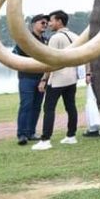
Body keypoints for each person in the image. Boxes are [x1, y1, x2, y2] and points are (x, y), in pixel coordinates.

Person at [32, 10, 80, 150]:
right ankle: (71, 136)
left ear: (59, 21)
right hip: (72, 78)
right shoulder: (75, 36)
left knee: (49, 108)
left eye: (51, 21)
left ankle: (45, 140)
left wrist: (44, 79)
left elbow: (49, 61)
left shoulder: (55, 38)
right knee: (71, 107)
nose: (49, 24)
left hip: (58, 79)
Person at [13, 14, 48, 145]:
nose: (45, 25)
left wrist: (44, 79)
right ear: (34, 24)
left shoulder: (46, 40)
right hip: (26, 78)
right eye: (42, 23)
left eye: (46, 23)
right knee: (26, 105)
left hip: (41, 79)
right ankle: (22, 134)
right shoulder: (24, 40)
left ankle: (31, 132)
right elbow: (14, 56)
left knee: (36, 106)